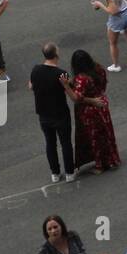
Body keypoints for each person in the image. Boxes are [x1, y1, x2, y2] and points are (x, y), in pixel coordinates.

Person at [28, 42, 71, 182]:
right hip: (60, 113)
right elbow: (70, 89)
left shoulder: (35, 70)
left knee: (50, 143)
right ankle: (69, 172)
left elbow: (30, 86)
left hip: (43, 114)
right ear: (56, 54)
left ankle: (55, 173)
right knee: (65, 143)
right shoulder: (61, 74)